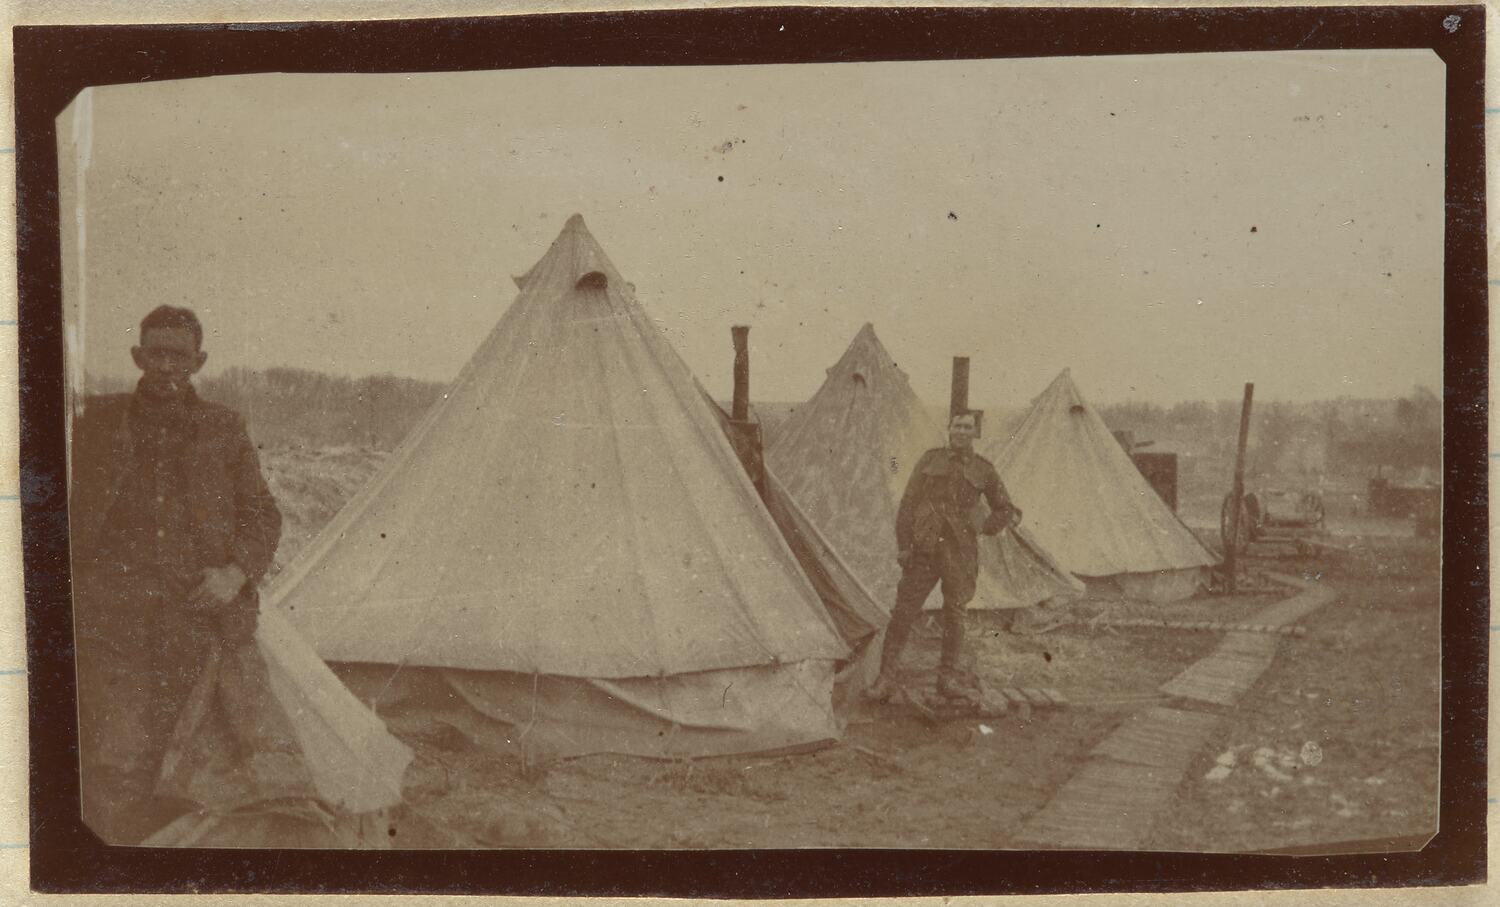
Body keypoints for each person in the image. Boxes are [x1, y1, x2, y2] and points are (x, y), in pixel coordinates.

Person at [70, 305, 282, 844]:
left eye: (178, 356)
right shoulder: (92, 420)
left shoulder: (222, 427)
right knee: (116, 758)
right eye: (155, 353)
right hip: (113, 621)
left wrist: (235, 573)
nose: (165, 366)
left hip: (199, 618)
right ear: (138, 356)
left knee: (195, 761)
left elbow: (262, 512)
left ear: (199, 362)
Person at [866, 410, 1020, 704]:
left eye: (967, 427)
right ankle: (886, 678)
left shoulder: (984, 469)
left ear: (975, 433)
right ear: (948, 429)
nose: (961, 431)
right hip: (924, 549)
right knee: (903, 613)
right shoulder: (929, 460)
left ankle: (947, 679)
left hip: (960, 553)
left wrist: (983, 526)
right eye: (957, 426)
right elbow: (908, 503)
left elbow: (1005, 508)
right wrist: (904, 545)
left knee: (955, 615)